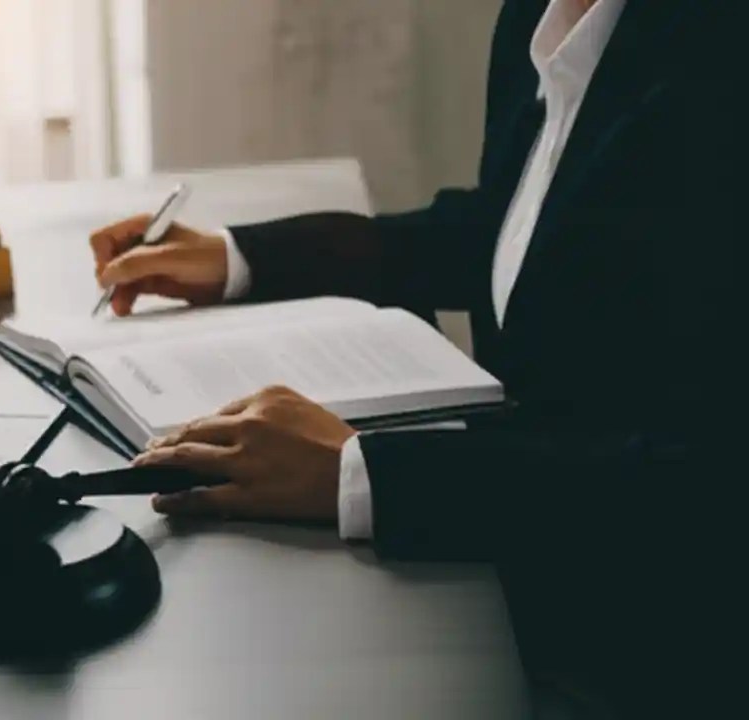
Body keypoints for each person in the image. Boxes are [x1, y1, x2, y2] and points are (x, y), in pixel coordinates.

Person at [91, 0, 741, 712]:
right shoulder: (546, 17)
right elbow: (524, 230)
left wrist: (362, 471)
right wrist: (240, 258)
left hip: (651, 657)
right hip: (525, 580)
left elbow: (704, 493)